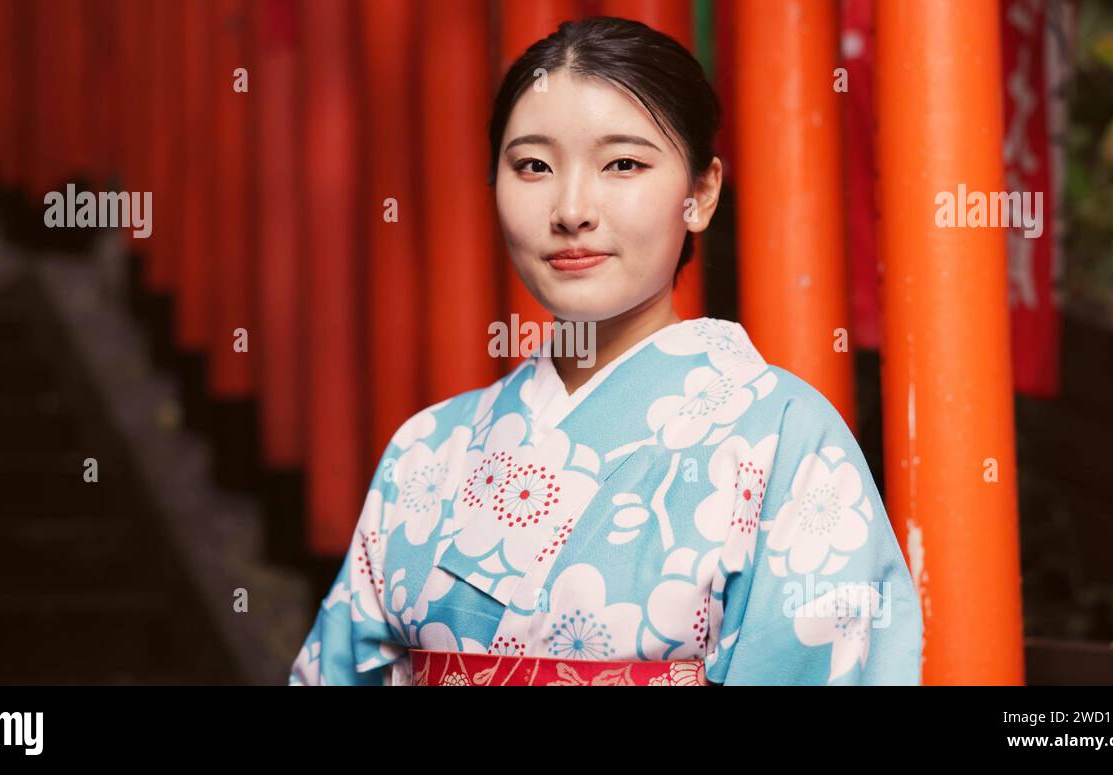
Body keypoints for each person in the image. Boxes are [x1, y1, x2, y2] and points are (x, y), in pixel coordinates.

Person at [290, 16, 922, 686]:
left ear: (701, 195)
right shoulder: (426, 450)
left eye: (623, 163)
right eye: (532, 165)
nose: (571, 208)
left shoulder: (785, 443)